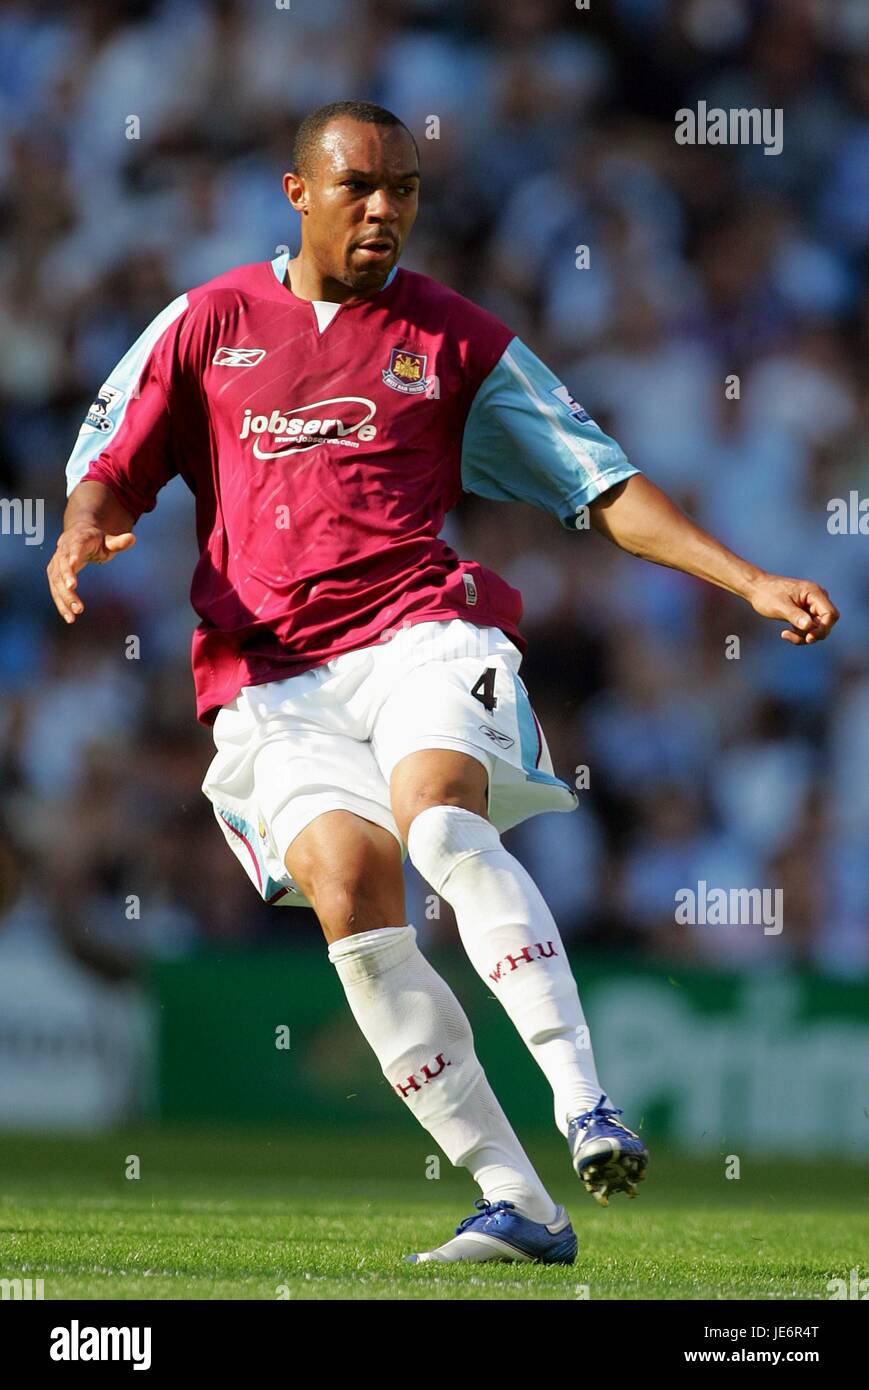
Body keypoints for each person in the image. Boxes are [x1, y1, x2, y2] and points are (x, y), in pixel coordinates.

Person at [48, 101, 839, 1266]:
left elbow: (600, 481)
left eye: (405, 189)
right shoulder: (209, 322)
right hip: (269, 681)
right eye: (360, 186)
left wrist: (745, 578)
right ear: (297, 193)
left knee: (440, 828)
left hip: (421, 631)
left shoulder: (456, 340)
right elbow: (112, 465)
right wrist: (79, 531)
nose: (384, 211)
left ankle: (583, 1101)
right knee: (351, 902)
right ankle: (514, 1199)